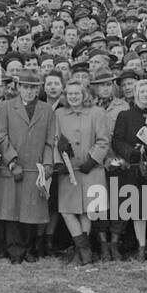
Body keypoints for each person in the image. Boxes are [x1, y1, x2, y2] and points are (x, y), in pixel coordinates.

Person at [0, 69, 54, 264]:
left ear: (38, 90)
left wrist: (47, 163)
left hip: (35, 168)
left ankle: (29, 249)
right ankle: (14, 251)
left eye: (33, 88)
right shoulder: (6, 107)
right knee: (12, 211)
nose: (29, 92)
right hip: (14, 167)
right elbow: (1, 136)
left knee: (32, 212)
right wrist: (12, 161)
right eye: (25, 87)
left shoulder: (47, 110)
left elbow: (50, 141)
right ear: (18, 87)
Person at [53, 78, 112, 262]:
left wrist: (93, 159)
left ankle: (82, 253)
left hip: (90, 170)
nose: (73, 97)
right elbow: (54, 140)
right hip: (69, 171)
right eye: (70, 94)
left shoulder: (97, 113)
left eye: (77, 93)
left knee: (87, 210)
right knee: (67, 210)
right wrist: (58, 161)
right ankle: (84, 248)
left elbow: (103, 140)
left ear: (83, 94)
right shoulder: (59, 114)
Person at [109, 78, 147, 261]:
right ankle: (141, 246)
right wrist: (131, 152)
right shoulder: (125, 116)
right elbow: (117, 140)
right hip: (135, 168)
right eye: (142, 91)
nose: (146, 95)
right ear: (135, 94)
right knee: (139, 210)